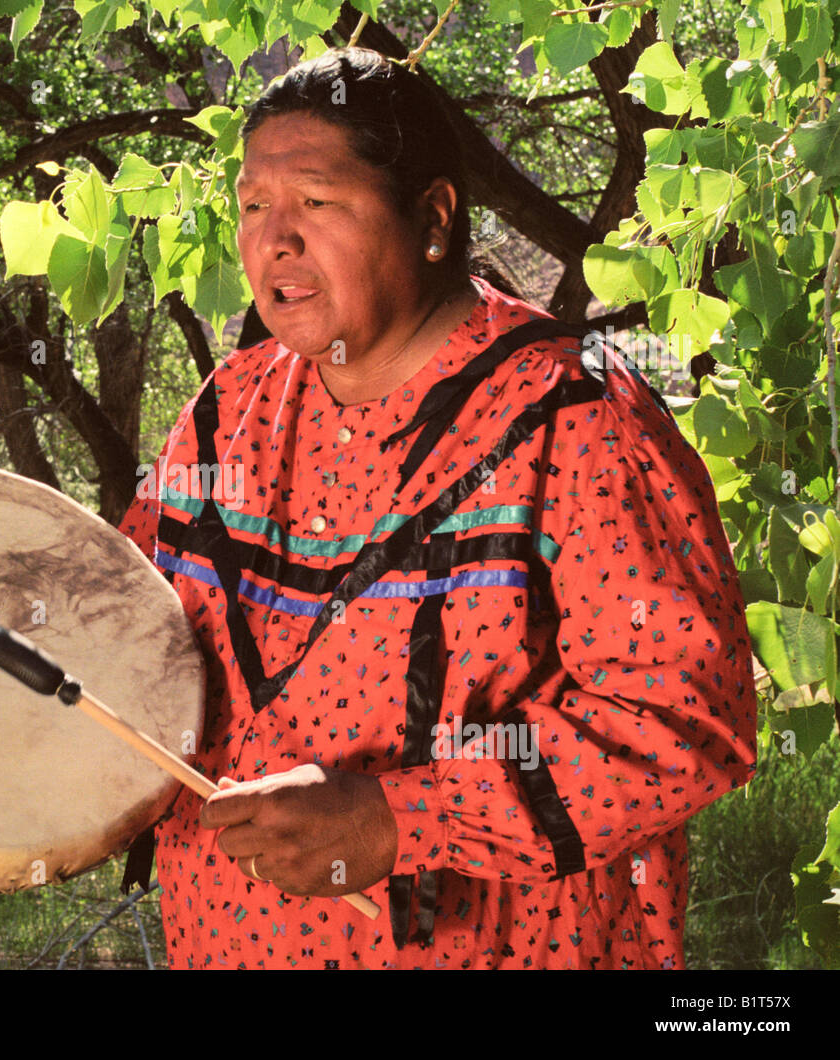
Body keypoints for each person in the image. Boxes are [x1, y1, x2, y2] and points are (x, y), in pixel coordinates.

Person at [118, 47, 758, 969]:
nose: (274, 241)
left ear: (432, 217)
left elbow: (687, 719)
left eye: (316, 201)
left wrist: (400, 817)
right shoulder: (228, 413)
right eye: (253, 206)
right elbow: (128, 641)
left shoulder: (574, 423)